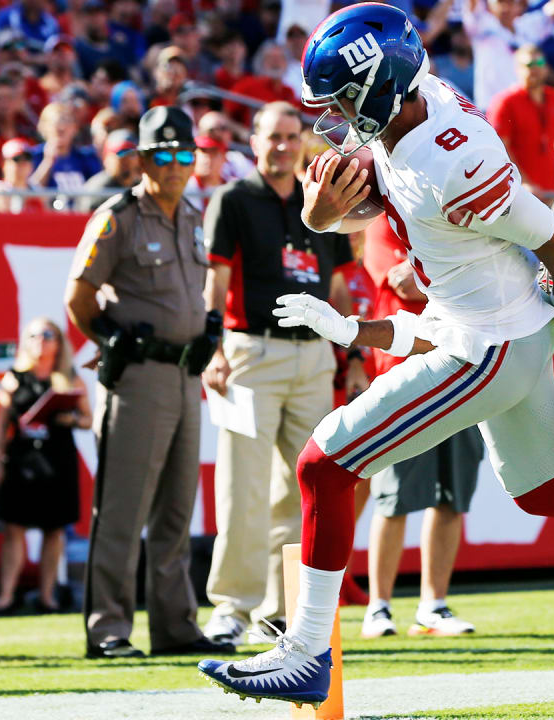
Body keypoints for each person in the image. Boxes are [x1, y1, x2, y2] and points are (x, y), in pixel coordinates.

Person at [198, 5, 554, 706]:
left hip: (488, 345)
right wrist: (321, 216)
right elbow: (387, 183)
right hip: (501, 328)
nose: (336, 116)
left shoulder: (454, 157)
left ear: (379, 87)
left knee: (324, 465)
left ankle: (308, 651)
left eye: (344, 98)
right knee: (545, 488)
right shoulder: (413, 107)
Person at [64, 106, 232, 660]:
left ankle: (175, 624)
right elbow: (79, 296)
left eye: (187, 153)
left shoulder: (190, 214)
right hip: (137, 377)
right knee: (122, 508)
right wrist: (111, 340)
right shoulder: (118, 217)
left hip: (186, 375)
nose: (178, 164)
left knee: (177, 510)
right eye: (165, 154)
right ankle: (108, 628)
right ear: (141, 158)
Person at [199, 101, 366, 647]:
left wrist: (356, 355)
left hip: (315, 357)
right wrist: (213, 347)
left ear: (302, 142)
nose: (283, 146)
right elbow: (215, 283)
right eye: (273, 136)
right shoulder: (232, 199)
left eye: (292, 137)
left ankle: (282, 606)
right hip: (249, 353)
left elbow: (338, 287)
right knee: (241, 485)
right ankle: (232, 606)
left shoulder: (319, 200)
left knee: (304, 488)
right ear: (254, 141)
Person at [359, 218, 485, 639]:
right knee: (393, 497)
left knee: (451, 494)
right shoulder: (383, 220)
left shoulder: (451, 217)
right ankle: (378, 607)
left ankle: (434, 606)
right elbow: (401, 284)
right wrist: (452, 272)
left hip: (462, 366)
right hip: (404, 373)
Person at [0, 317, 92, 613]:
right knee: (14, 527)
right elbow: (0, 426)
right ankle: (6, 596)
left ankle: (47, 596)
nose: (41, 341)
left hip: (57, 461)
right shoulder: (14, 377)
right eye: (34, 335)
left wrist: (69, 418)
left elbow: (88, 419)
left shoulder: (69, 378)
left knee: (54, 529)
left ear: (59, 342)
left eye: (48, 335)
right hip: (22, 460)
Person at [488, 45, 554, 201]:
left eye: (539, 64)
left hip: (549, 192)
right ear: (517, 69)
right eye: (529, 65)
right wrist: (524, 183)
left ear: (546, 68)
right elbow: (499, 149)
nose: (535, 69)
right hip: (516, 195)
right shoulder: (504, 102)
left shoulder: (553, 97)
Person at [76, 130, 140, 213]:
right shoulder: (97, 190)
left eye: (130, 154)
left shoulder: (141, 186)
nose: (125, 160)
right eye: (119, 154)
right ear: (106, 158)